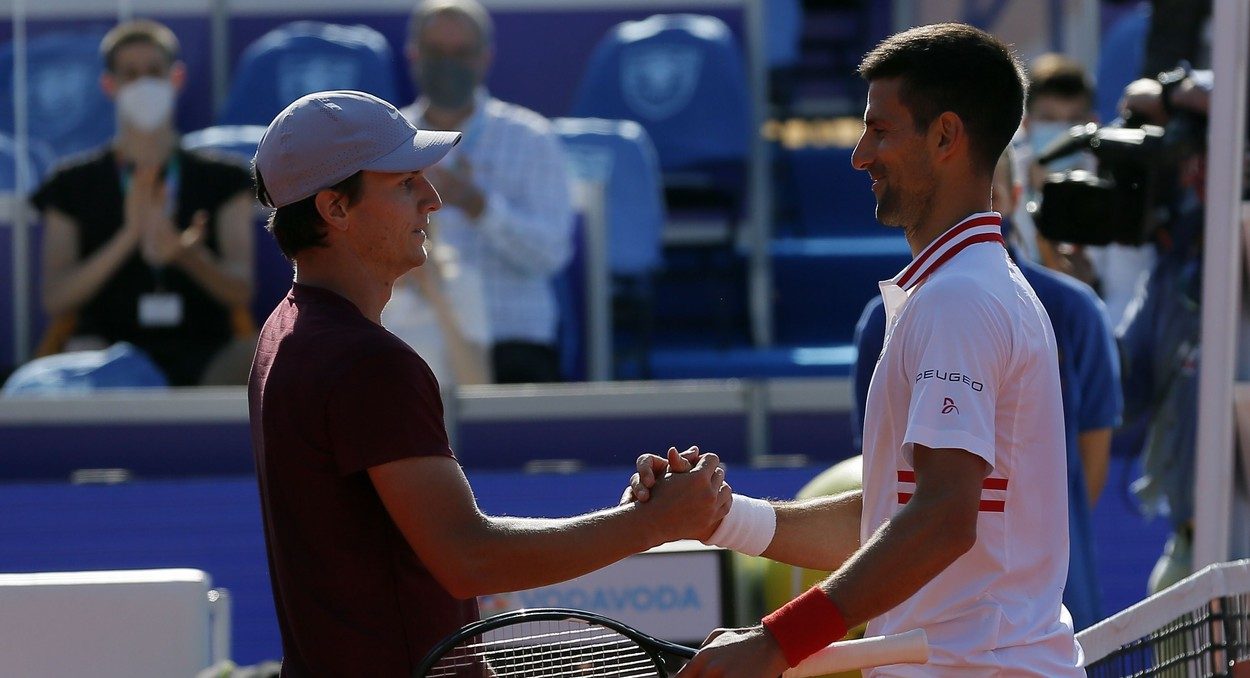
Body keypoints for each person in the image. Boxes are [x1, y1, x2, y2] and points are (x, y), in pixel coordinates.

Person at [632, 23, 1083, 676]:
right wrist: (722, 518)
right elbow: (893, 516)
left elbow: (941, 519)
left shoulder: (959, 300)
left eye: (881, 130)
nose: (859, 155)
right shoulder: (964, 291)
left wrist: (778, 642)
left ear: (946, 137)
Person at [247, 89, 731, 675]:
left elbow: (433, 552)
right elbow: (468, 557)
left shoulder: (284, 331)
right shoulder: (367, 363)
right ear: (335, 209)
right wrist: (653, 523)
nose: (432, 198)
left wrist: (624, 519)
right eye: (404, 184)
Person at [851, 147, 1122, 631]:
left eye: (990, 188)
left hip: (1041, 615)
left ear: (1016, 197)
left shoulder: (1076, 312)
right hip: (934, 628)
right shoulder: (883, 320)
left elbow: (1087, 468)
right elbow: (881, 482)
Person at [30, 19, 255, 386]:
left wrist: (184, 253)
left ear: (176, 78)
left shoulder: (224, 179)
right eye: (130, 74)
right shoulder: (70, 183)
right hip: (103, 354)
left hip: (205, 350)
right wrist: (131, 234)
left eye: (154, 71)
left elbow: (241, 289)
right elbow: (56, 299)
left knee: (254, 358)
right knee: (76, 365)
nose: (143, 83)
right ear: (109, 85)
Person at [400, 0, 575, 383]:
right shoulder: (390, 140)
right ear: (413, 56)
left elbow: (551, 254)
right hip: (411, 336)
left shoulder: (531, 138)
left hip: (511, 337)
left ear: (484, 58)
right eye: (435, 52)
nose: (448, 64)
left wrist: (478, 205)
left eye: (461, 53)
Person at [1016, 53, 1155, 328]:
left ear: (1092, 123)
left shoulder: (1117, 187)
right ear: (1026, 124)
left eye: (1073, 121)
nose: (1061, 130)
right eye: (1049, 118)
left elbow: (1127, 294)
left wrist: (1085, 295)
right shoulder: (998, 186)